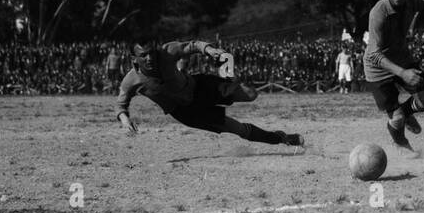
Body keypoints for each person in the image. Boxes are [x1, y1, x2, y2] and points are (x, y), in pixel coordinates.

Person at [116, 39, 302, 148]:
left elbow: (193, 45)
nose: (149, 58)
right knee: (236, 128)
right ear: (134, 58)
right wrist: (125, 120)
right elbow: (120, 105)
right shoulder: (131, 80)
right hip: (186, 111)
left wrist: (210, 50)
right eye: (143, 56)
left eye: (151, 53)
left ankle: (230, 80)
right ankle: (281, 138)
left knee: (251, 94)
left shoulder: (167, 52)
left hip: (198, 86)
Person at [365, 0, 424, 156]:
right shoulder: (378, 13)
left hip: (402, 59)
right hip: (378, 69)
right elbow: (374, 54)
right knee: (396, 118)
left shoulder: (412, 0)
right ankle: (401, 144)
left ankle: (406, 114)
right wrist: (403, 73)